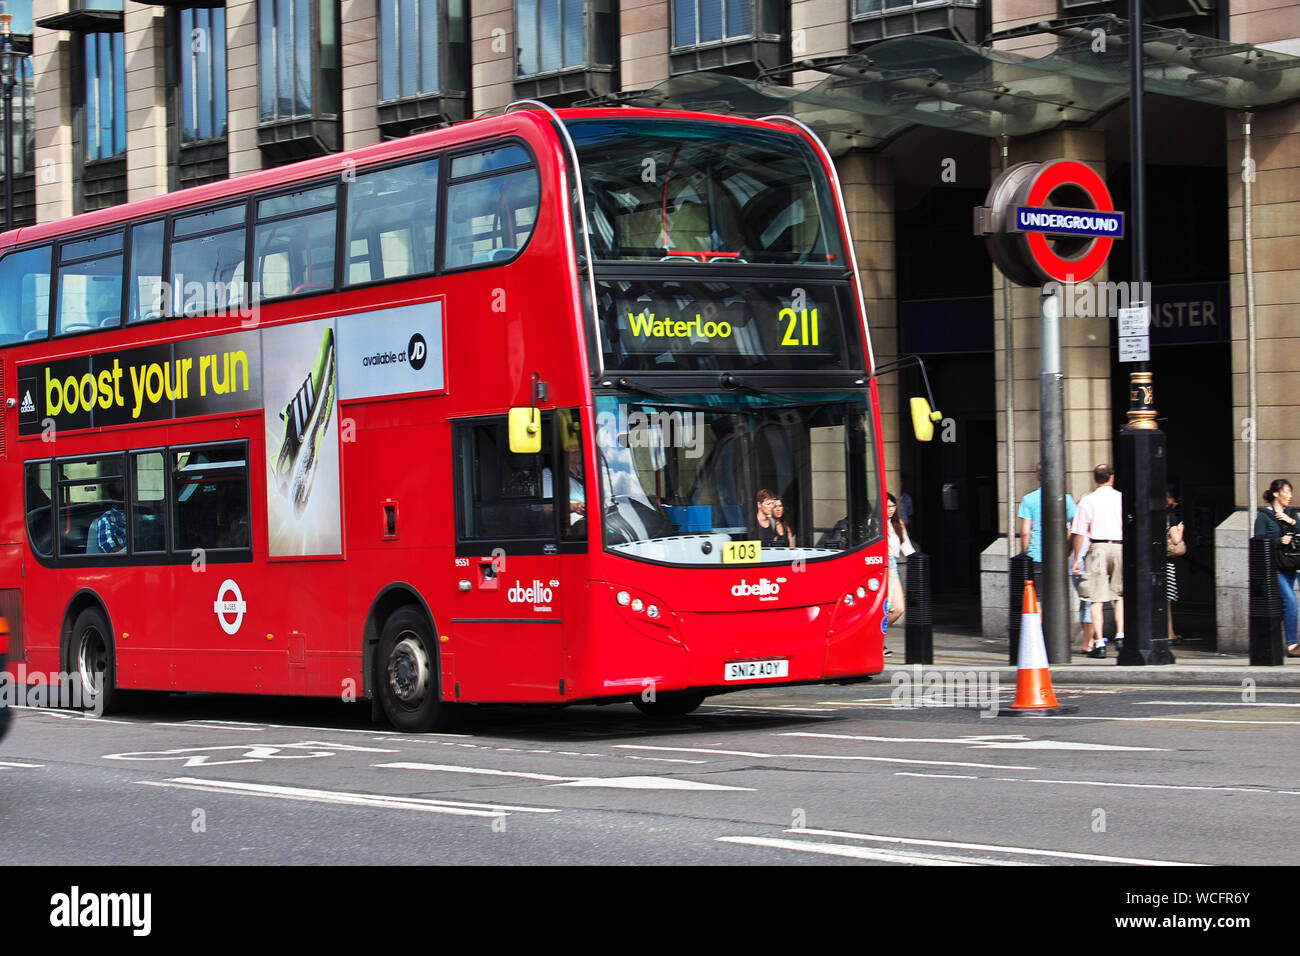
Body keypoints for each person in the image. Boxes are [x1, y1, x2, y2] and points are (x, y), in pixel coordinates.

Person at [1072, 464, 1124, 657]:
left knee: (1096, 598)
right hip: (1119, 546)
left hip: (1098, 547)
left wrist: (1077, 559)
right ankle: (1121, 636)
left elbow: (1078, 532)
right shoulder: (1121, 498)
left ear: (1095, 479)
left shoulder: (1088, 500)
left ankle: (1100, 644)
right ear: (1111, 477)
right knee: (1119, 595)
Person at [1017, 461, 1076, 596]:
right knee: (1057, 596)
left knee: (1037, 598)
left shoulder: (1028, 499)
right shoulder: (1066, 499)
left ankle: (1040, 618)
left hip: (1036, 556)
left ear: (1038, 477)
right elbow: (1075, 529)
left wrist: (1025, 553)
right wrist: (1067, 550)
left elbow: (1025, 532)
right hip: (1058, 556)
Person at [1255, 478, 1298, 657]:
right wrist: (1278, 541)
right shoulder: (1264, 516)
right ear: (1275, 494)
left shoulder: (1291, 514)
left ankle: (1270, 643)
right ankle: (1292, 645)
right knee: (1291, 602)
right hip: (1274, 566)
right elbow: (1258, 541)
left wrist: (1292, 522)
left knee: (1283, 605)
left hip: (1291, 564)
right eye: (1286, 492)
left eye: (1290, 492)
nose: (1290, 496)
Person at [885, 493, 914, 655]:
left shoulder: (897, 524)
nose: (890, 510)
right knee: (884, 609)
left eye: (892, 506)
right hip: (881, 567)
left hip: (893, 566)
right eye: (887, 506)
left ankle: (875, 636)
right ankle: (879, 643)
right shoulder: (875, 525)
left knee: (899, 609)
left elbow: (908, 548)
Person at [1166, 485, 1185, 643]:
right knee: (1167, 601)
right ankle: (1170, 633)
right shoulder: (1170, 516)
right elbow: (1176, 540)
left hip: (1151, 560)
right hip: (1167, 563)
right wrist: (1180, 530)